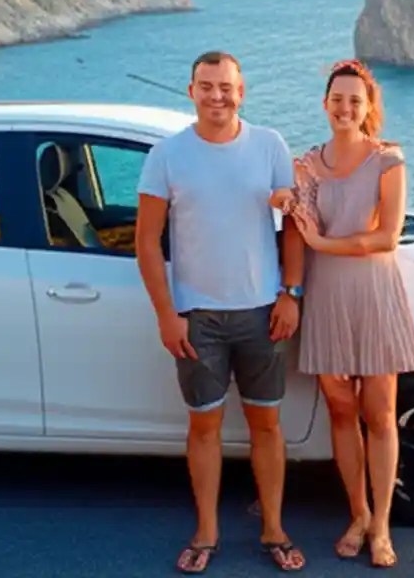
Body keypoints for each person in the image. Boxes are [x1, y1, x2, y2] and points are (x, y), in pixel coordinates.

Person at [135, 51, 307, 574]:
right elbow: (146, 242)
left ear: (242, 91)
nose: (217, 96)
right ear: (191, 92)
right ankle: (207, 531)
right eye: (207, 86)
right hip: (198, 318)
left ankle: (273, 529)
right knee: (204, 428)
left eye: (226, 87)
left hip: (262, 313)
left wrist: (290, 294)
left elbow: (293, 225)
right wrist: (167, 314)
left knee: (267, 426)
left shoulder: (270, 145)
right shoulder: (167, 155)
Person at [282, 59, 414, 568]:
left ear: (368, 109)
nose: (345, 108)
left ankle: (383, 525)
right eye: (336, 99)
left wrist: (324, 240)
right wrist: (292, 292)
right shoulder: (304, 166)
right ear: (325, 104)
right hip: (325, 298)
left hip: (375, 295)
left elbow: (387, 236)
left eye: (355, 101)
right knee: (341, 412)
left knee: (381, 413)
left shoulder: (389, 160)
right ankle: (358, 514)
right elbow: (295, 235)